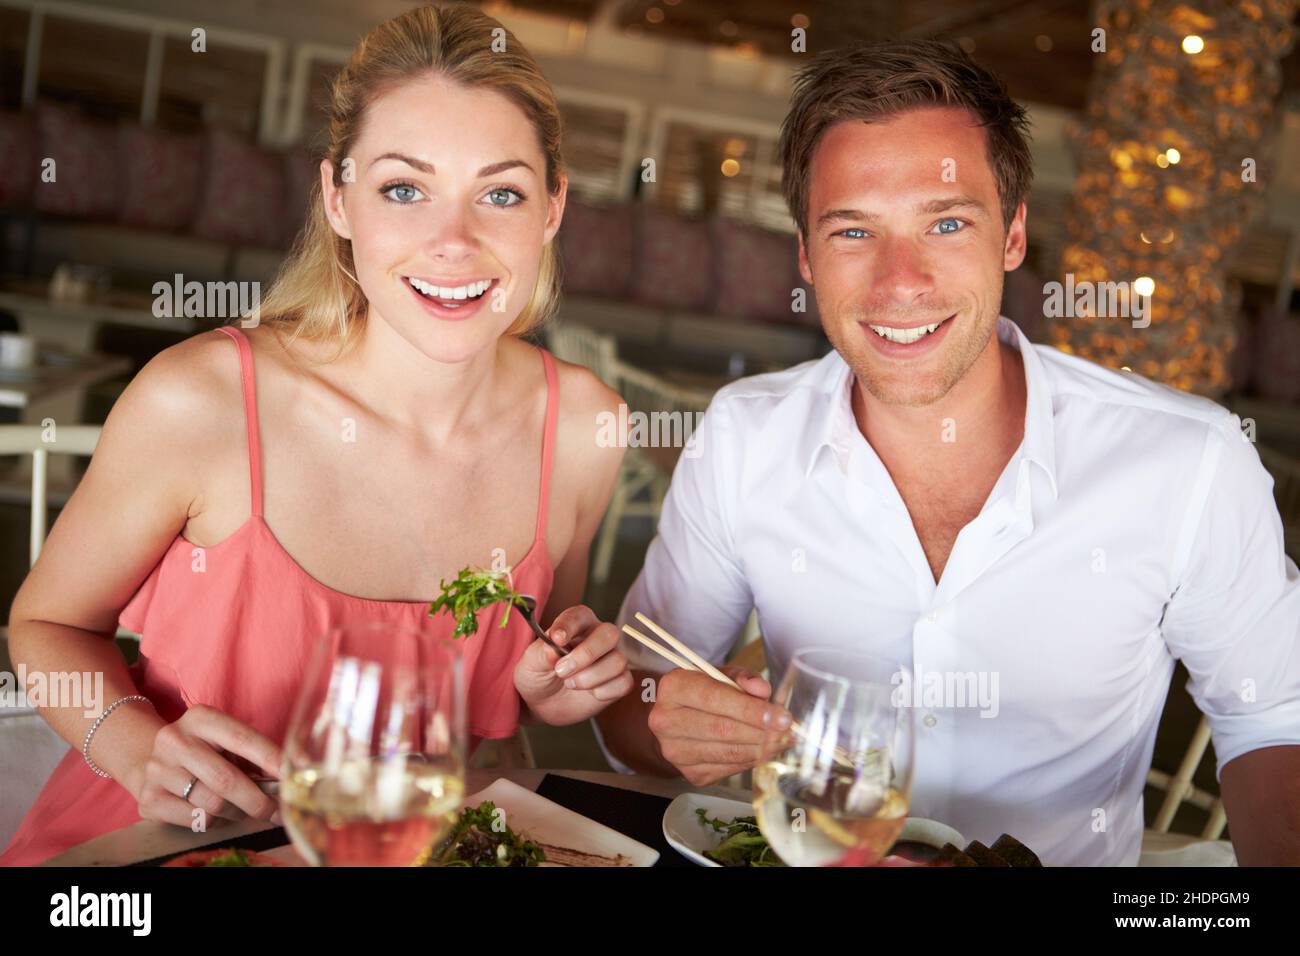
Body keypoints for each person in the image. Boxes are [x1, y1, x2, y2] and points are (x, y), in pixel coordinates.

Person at [561, 39, 1300, 866]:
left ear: (1013, 234)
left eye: (946, 223)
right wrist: (675, 726)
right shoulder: (743, 436)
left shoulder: (1189, 461)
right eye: (853, 232)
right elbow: (640, 691)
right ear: (805, 254)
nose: (900, 281)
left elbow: (1274, 716)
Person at [1, 4, 632, 866]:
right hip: (174, 849)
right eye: (404, 189)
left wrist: (555, 685)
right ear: (339, 198)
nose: (454, 241)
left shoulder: (586, 427)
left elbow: (532, 659)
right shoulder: (205, 400)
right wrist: (135, 745)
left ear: (551, 210)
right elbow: (46, 624)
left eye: (501, 193)